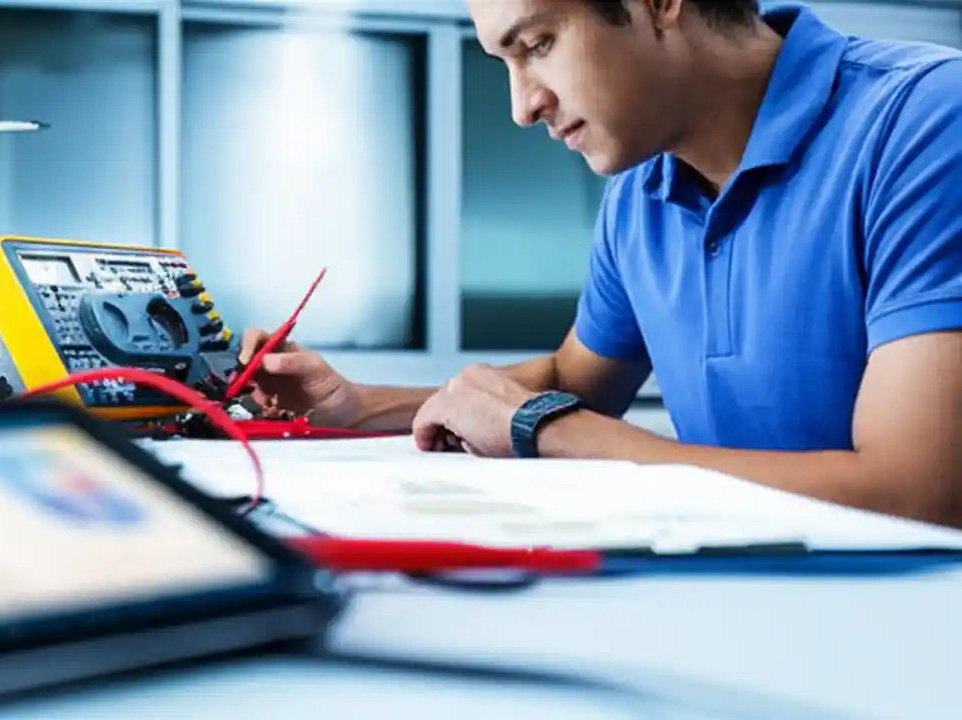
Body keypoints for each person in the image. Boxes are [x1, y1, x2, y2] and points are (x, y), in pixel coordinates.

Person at [237, 0, 962, 527]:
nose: (522, 107)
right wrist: (358, 405)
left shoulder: (926, 121)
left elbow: (916, 494)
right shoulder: (641, 192)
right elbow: (572, 381)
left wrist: (554, 433)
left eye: (538, 44)